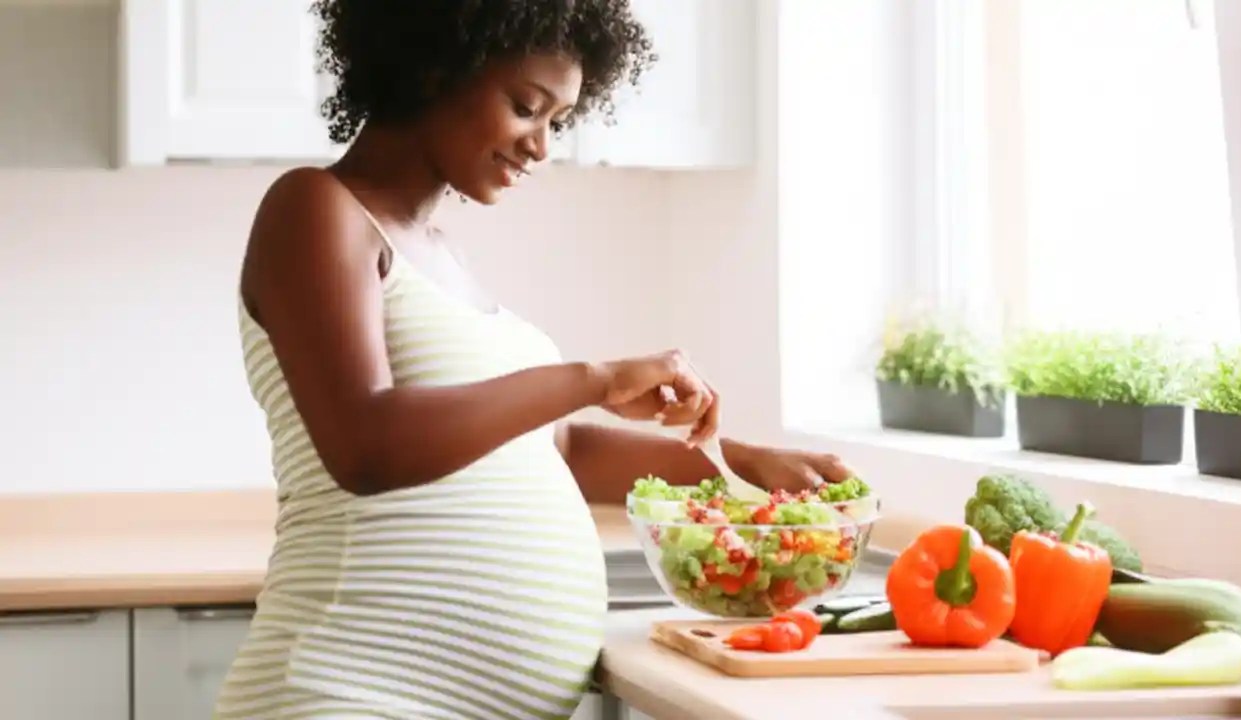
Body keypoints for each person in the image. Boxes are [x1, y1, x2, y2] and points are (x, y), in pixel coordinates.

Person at [215, 1, 856, 718]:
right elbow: (366, 444)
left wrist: (737, 467)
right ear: (434, 68)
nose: (541, 146)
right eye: (526, 107)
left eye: (558, 121)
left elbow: (560, 448)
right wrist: (593, 379)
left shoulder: (442, 255)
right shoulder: (315, 209)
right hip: (348, 696)